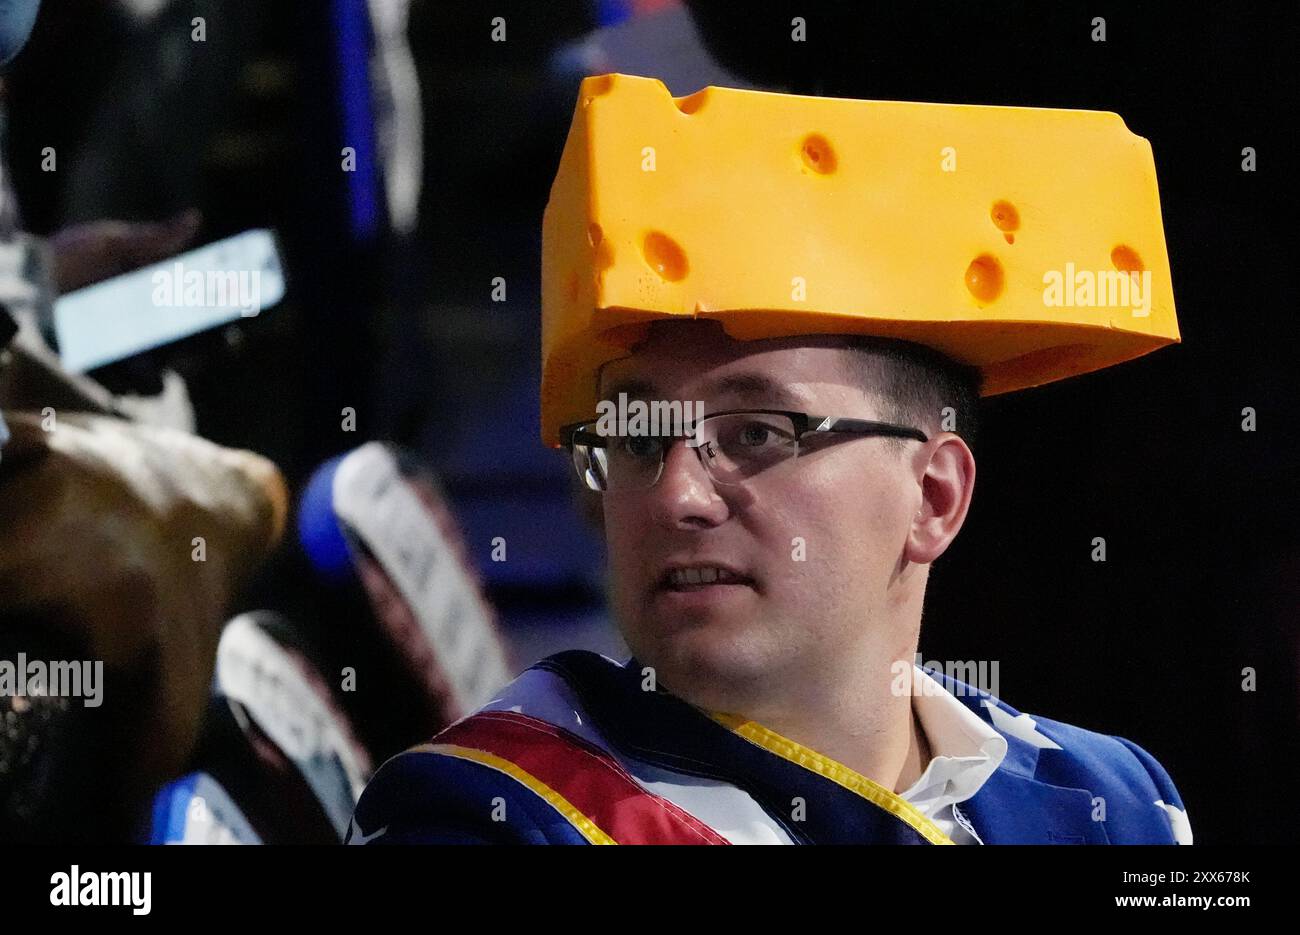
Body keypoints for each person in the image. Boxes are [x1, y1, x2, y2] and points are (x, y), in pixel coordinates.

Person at [348, 74, 1190, 844]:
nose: (677, 493)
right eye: (638, 436)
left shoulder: (1111, 803)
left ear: (933, 497)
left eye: (757, 433)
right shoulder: (490, 821)